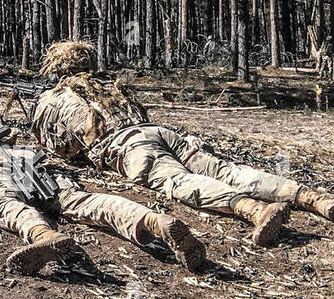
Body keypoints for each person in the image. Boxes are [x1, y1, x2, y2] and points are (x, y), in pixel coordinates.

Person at [0, 61, 205, 274]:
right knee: (79, 201)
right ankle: (153, 220)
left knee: (1, 202)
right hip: (23, 157)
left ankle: (43, 235)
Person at [32, 41, 334, 247]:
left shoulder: (56, 97)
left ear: (57, 68)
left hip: (129, 147)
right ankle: (315, 199)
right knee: (225, 169)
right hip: (161, 133)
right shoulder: (108, 84)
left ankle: (254, 210)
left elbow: (63, 148)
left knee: (180, 182)